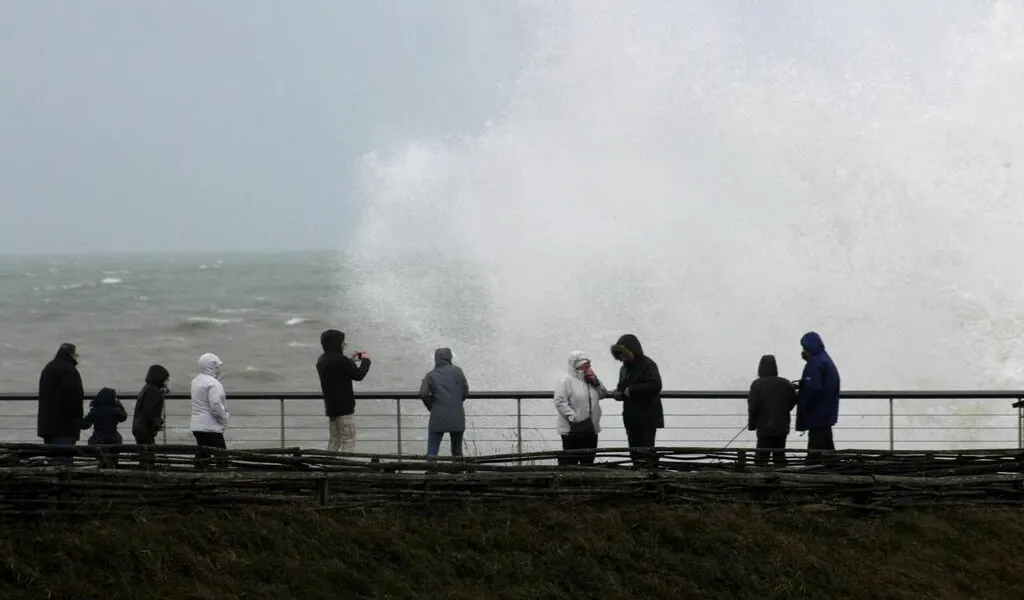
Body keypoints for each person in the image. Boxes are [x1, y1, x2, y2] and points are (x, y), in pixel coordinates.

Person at [610, 334, 663, 468]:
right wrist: (618, 393)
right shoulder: (624, 369)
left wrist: (632, 390)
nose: (621, 358)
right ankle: (640, 475)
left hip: (648, 416)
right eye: (619, 355)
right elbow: (621, 387)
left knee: (647, 452)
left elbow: (656, 385)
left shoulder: (648, 364)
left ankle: (650, 477)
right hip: (631, 417)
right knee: (634, 452)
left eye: (622, 354)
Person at [316, 329, 371, 453]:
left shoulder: (322, 360)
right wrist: (366, 360)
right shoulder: (340, 360)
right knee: (348, 441)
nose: (345, 344)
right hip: (345, 409)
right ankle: (345, 469)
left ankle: (328, 467)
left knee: (334, 440)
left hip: (331, 408)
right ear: (336, 343)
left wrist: (350, 361)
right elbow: (358, 375)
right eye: (343, 342)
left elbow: (338, 371)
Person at [553, 351, 607, 466]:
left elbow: (603, 394)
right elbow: (559, 401)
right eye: (582, 364)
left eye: (587, 363)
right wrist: (573, 417)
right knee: (571, 462)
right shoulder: (566, 380)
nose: (586, 366)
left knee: (588, 461)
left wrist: (595, 381)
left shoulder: (591, 379)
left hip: (591, 428)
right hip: (572, 430)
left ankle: (586, 482)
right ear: (574, 365)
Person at [795, 332, 841, 465]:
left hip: (818, 415)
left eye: (804, 348)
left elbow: (813, 388)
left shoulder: (814, 363)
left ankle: (810, 478)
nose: (802, 351)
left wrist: (803, 404)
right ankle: (834, 471)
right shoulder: (824, 359)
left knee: (814, 454)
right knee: (827, 450)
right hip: (826, 413)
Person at [37, 342, 85, 465]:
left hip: (47, 424)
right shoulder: (69, 370)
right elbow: (74, 397)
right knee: (64, 461)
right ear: (71, 354)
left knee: (52, 458)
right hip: (65, 425)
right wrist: (78, 419)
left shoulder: (48, 368)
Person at [747, 354, 798, 467]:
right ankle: (779, 479)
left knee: (761, 457)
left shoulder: (757, 384)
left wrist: (752, 424)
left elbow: (753, 407)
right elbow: (793, 400)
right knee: (779, 456)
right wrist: (783, 410)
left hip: (764, 426)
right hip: (781, 425)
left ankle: (761, 481)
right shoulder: (785, 383)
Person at [418, 347, 470, 457]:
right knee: (457, 451)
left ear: (436, 359)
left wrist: (432, 407)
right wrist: (455, 401)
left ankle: (431, 471)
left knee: (432, 451)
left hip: (438, 416)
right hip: (457, 416)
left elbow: (423, 393)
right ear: (450, 358)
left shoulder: (431, 375)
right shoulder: (458, 371)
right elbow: (466, 392)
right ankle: (457, 472)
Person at [190, 353, 229, 467]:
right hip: (211, 427)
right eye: (217, 367)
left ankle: (198, 480)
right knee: (222, 457)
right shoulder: (213, 383)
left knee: (203, 457)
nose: (218, 370)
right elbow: (216, 405)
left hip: (197, 426)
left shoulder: (195, 381)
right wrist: (224, 419)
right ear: (211, 367)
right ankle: (221, 480)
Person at [133, 364, 169, 468]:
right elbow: (149, 411)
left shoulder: (147, 388)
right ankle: (147, 477)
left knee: (145, 454)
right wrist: (157, 423)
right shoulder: (154, 391)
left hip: (139, 426)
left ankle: (146, 474)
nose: (166, 381)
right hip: (144, 428)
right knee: (148, 456)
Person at [81, 387, 127, 468]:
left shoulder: (95, 410)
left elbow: (85, 425)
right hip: (114, 439)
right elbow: (123, 417)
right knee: (113, 456)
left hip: (98, 439)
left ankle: (103, 464)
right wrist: (119, 404)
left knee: (99, 453)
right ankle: (112, 466)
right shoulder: (116, 410)